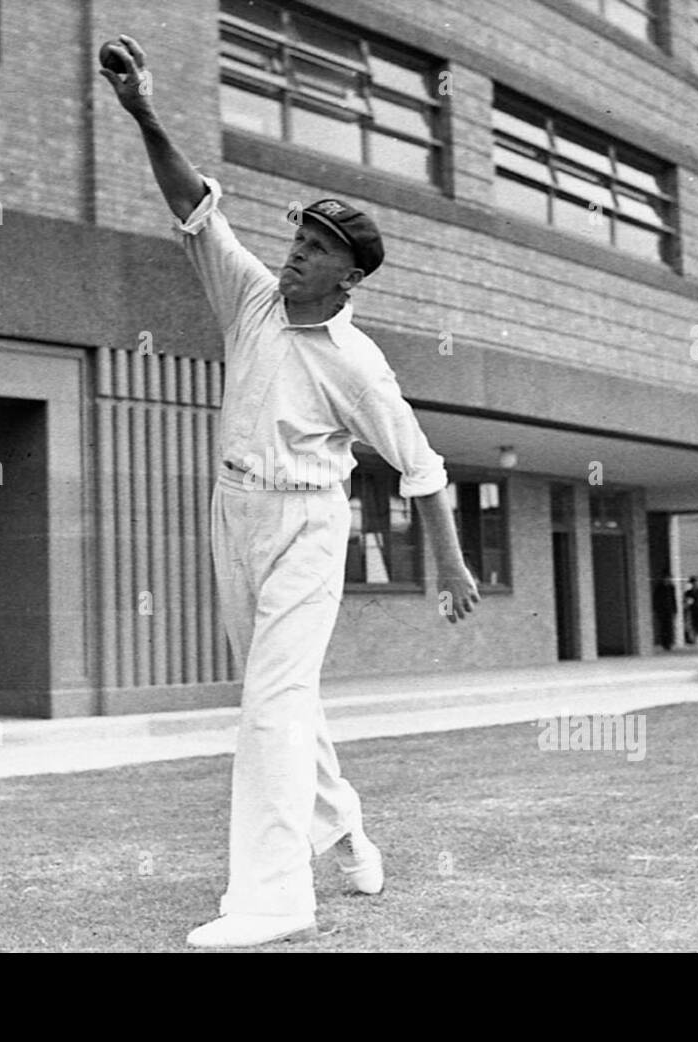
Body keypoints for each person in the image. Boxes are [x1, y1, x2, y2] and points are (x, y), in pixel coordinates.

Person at [100, 36, 479, 949]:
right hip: (234, 513)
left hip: (311, 523)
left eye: (316, 251)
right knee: (280, 702)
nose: (297, 256)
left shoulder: (359, 365)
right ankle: (346, 829)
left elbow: (422, 469)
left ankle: (274, 903)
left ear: (349, 277)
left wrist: (455, 572)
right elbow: (195, 207)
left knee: (272, 705)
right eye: (299, 240)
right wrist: (145, 109)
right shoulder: (254, 300)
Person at [652, 574, 677, 651]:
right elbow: (656, 599)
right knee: (663, 627)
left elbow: (673, 599)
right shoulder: (659, 588)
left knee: (669, 627)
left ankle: (669, 643)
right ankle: (664, 643)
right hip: (662, 610)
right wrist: (656, 609)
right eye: (668, 578)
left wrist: (675, 609)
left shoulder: (671, 588)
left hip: (669, 610)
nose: (669, 580)